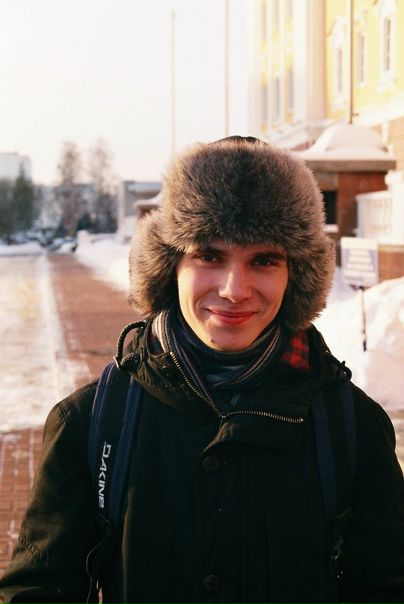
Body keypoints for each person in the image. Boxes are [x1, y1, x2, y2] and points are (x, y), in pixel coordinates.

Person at [0, 136, 403, 603]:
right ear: (169, 266)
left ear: (295, 276)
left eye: (263, 260)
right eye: (210, 256)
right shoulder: (92, 423)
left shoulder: (351, 427)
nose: (234, 289)